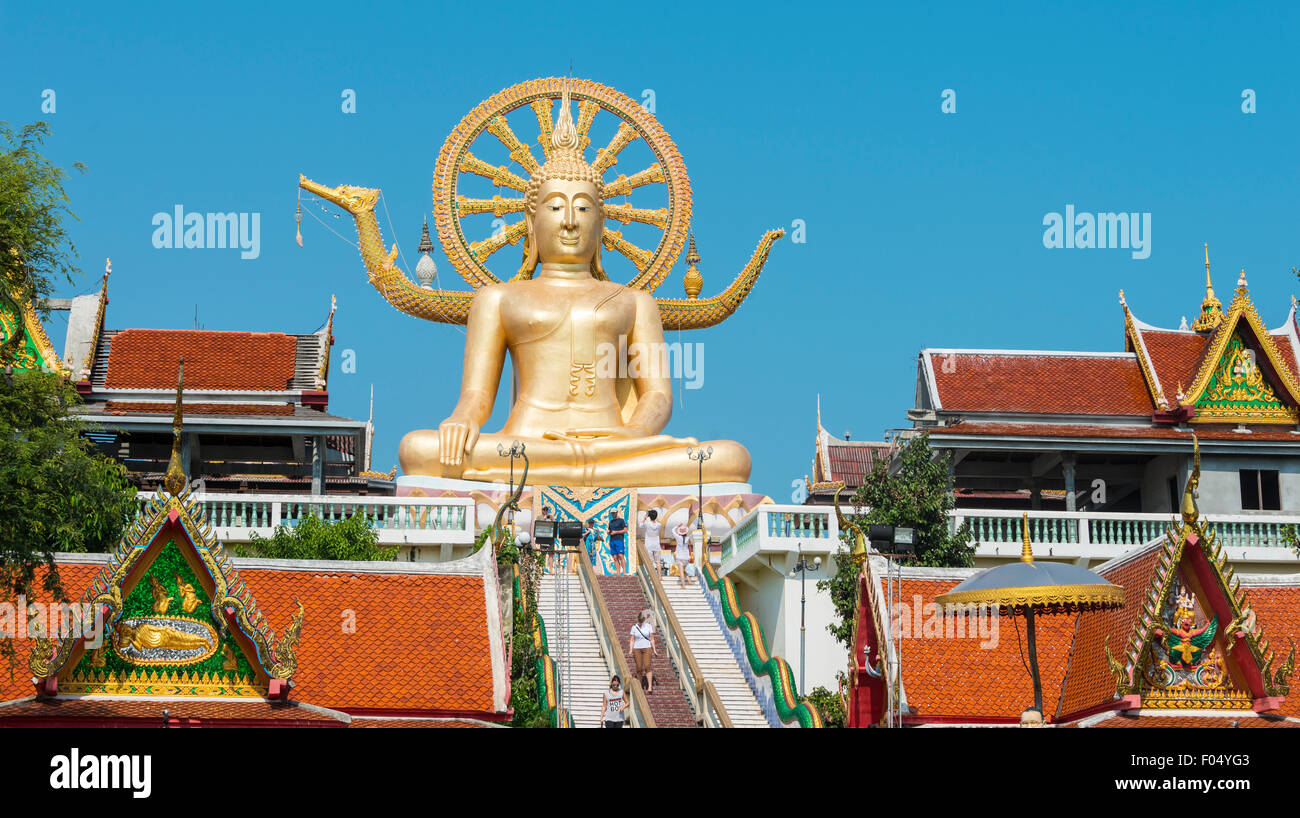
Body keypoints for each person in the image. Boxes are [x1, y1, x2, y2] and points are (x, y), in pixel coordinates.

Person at [628, 611, 657, 694]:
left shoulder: (648, 626)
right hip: (637, 648)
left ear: (644, 619)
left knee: (647, 666)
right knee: (639, 667)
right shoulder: (634, 627)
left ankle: (650, 686)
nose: (640, 621)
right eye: (639, 620)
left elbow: (651, 638)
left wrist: (654, 649)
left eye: (641, 620)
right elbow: (632, 639)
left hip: (647, 647)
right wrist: (630, 649)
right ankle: (640, 686)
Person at [674, 522, 693, 587]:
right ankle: (689, 581)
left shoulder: (678, 537)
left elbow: (672, 530)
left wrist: (677, 526)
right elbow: (690, 546)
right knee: (683, 570)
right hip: (686, 557)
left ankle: (683, 585)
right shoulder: (687, 538)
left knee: (681, 572)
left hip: (680, 557)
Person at [608, 510, 628, 575]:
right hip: (612, 540)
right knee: (615, 557)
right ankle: (618, 573)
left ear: (617, 512)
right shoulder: (611, 522)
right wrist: (608, 532)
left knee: (620, 555)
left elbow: (625, 530)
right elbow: (609, 530)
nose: (613, 514)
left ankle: (624, 572)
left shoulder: (621, 520)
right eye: (612, 513)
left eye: (614, 513)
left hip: (619, 540)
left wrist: (616, 532)